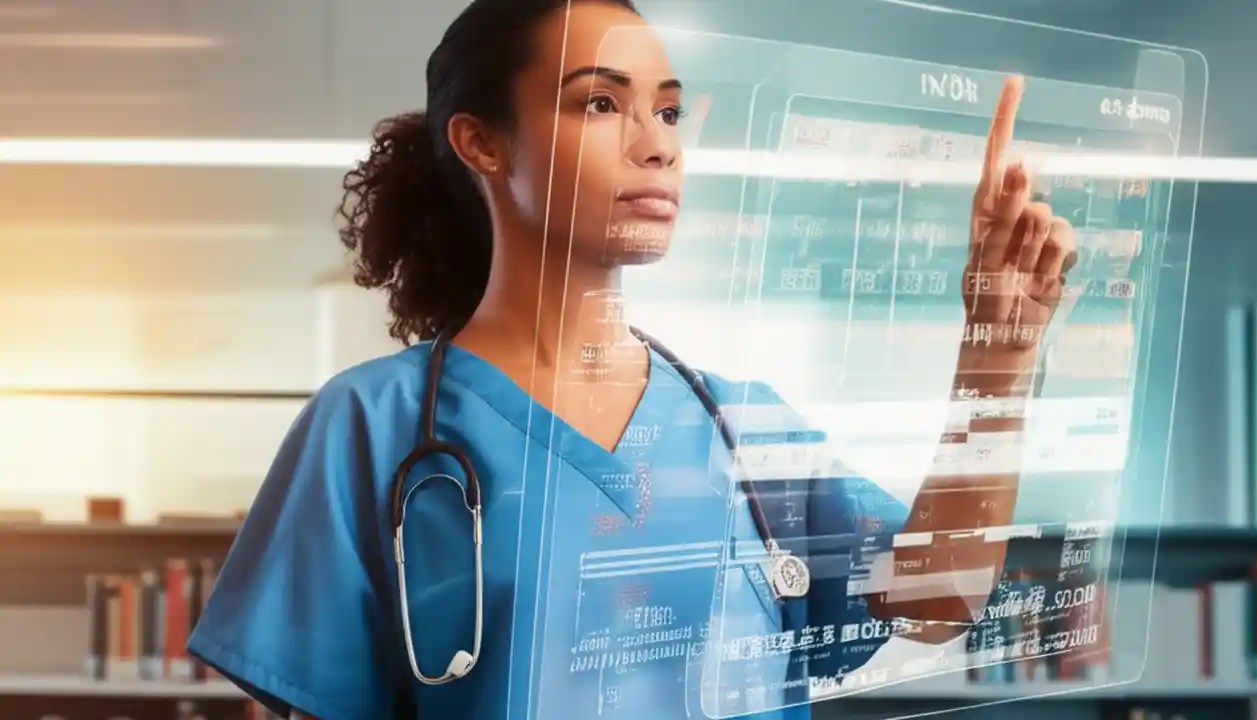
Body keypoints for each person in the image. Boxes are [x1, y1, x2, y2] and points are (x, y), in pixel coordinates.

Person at [187, 0, 1078, 718]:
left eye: (669, 109)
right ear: (481, 143)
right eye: (601, 103)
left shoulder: (740, 425)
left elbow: (936, 598)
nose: (659, 142)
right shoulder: (369, 428)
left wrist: (996, 353)